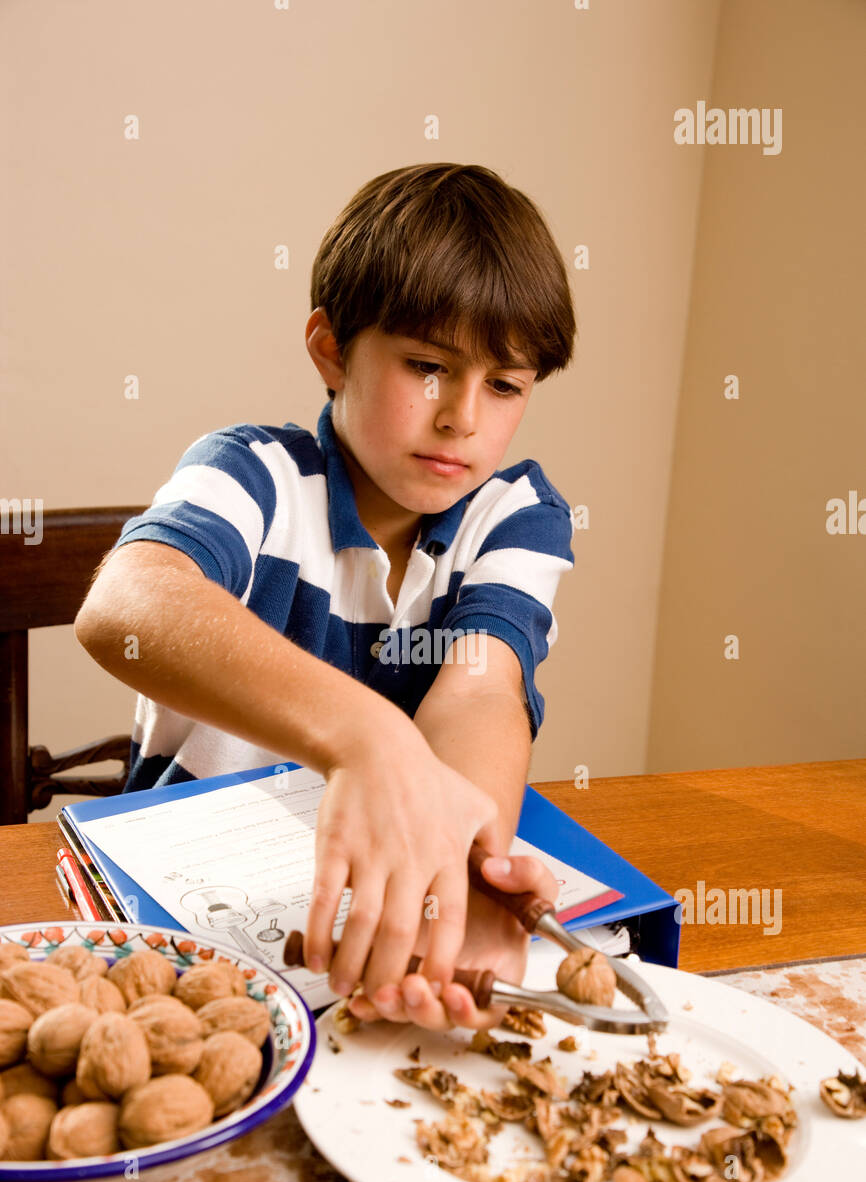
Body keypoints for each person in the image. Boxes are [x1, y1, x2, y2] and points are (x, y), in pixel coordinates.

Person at [75, 162, 576, 1033]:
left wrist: (462, 876)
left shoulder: (516, 513)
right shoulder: (255, 476)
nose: (462, 416)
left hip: (357, 926)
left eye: (504, 384)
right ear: (331, 349)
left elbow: (484, 686)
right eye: (428, 366)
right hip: (184, 929)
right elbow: (124, 607)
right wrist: (369, 737)